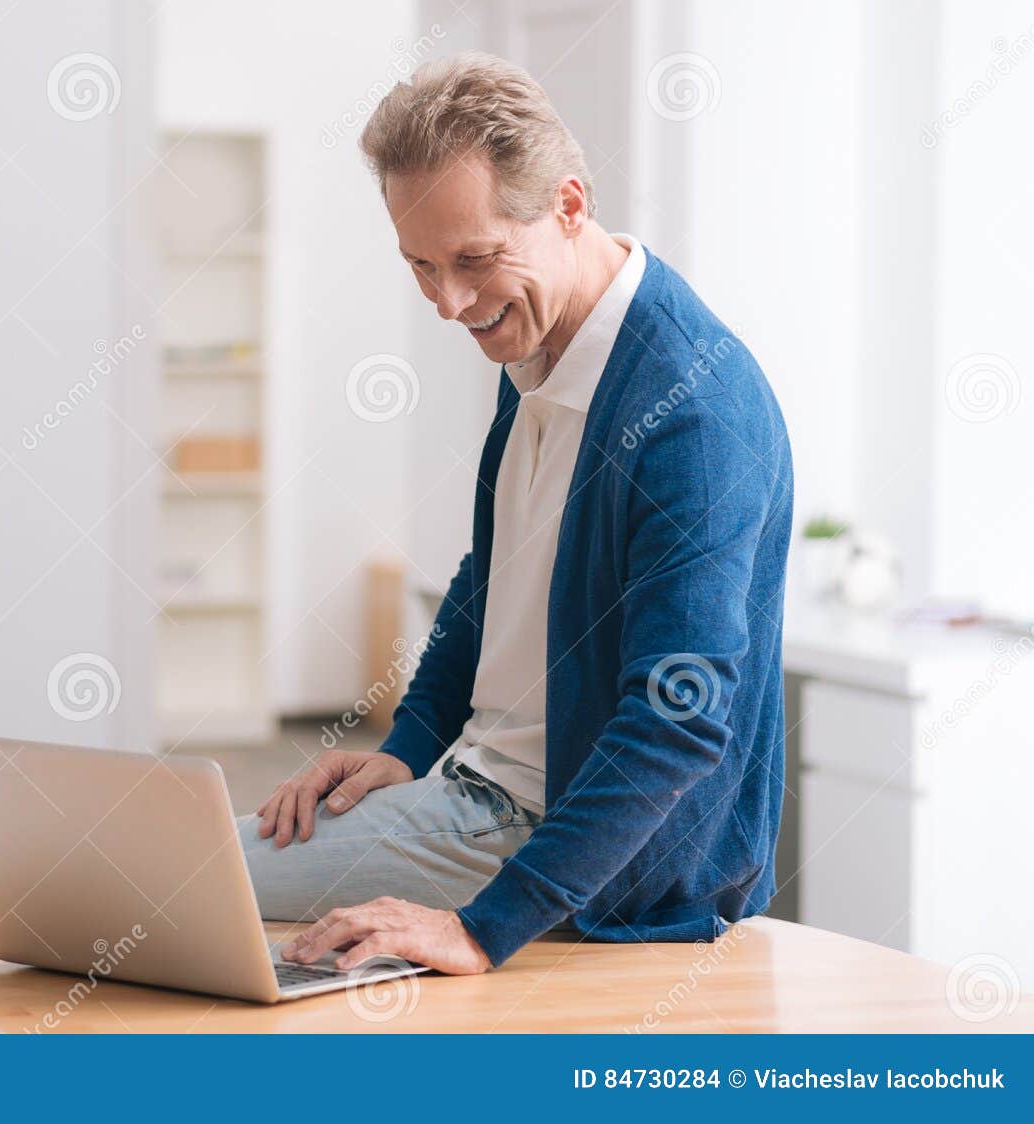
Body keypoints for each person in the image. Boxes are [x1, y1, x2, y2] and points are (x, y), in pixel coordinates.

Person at [238, 52, 793, 975]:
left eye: (473, 260)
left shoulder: (692, 417)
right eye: (420, 265)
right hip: (477, 789)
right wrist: (409, 744)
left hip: (581, 855)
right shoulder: (538, 336)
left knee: (164, 888)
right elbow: (493, 571)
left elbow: (679, 719)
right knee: (157, 875)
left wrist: (480, 928)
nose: (450, 303)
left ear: (569, 207)